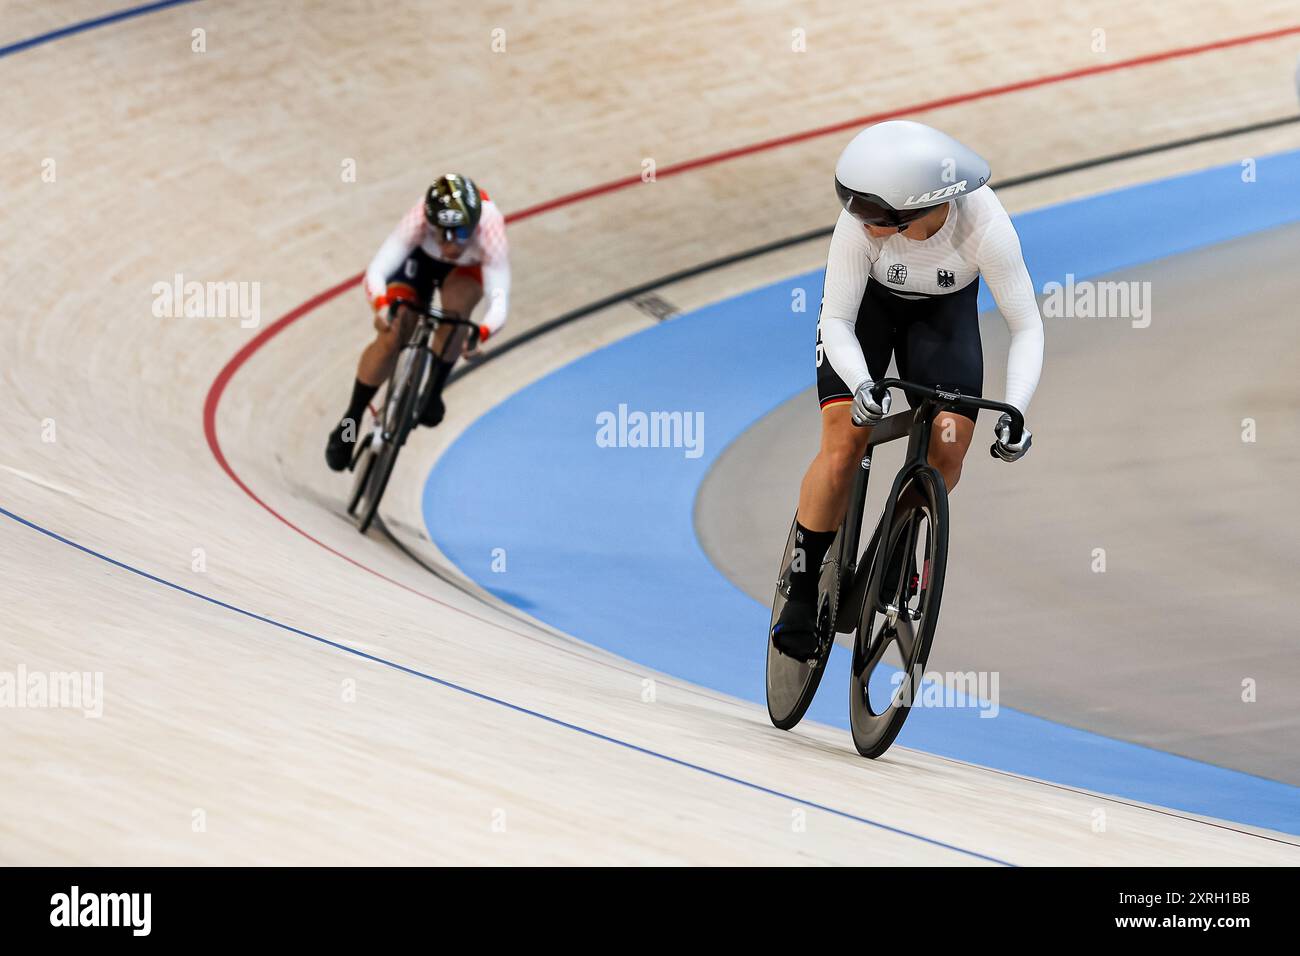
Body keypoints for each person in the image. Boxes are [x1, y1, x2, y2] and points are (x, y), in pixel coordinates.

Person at [771, 120, 1043, 659]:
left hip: (941, 320)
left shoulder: (986, 225)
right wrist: (863, 383)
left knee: (947, 447)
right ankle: (801, 590)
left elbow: (1027, 325)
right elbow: (837, 323)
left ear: (923, 209)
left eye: (877, 216)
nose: (863, 223)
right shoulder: (857, 229)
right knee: (844, 442)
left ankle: (894, 556)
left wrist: (1016, 409)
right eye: (857, 210)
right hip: (866, 316)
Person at [325, 173, 510, 471]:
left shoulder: (491, 228)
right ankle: (352, 417)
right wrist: (382, 306)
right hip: (420, 261)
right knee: (394, 332)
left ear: (474, 225)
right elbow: (377, 271)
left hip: (465, 272)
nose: (452, 245)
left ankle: (433, 390)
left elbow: (499, 298)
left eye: (461, 234)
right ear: (431, 224)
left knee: (458, 318)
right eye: (445, 234)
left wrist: (483, 333)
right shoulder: (419, 217)